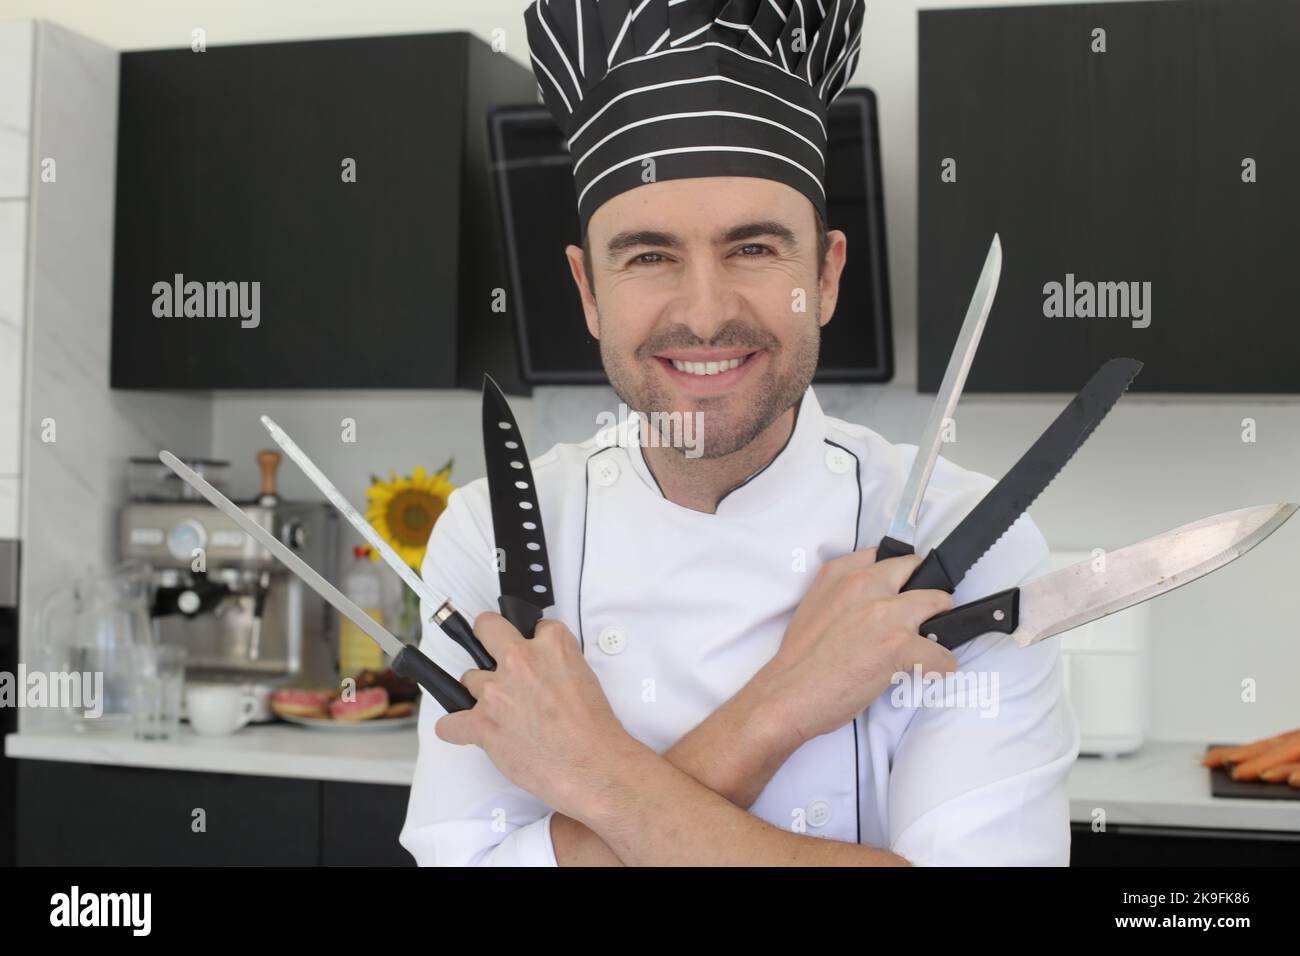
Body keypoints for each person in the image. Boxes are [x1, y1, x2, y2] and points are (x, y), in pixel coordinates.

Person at [399, 0, 1078, 866]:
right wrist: (785, 705)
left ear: (825, 276)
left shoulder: (965, 542)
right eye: (649, 256)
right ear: (588, 293)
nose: (706, 312)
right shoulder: (491, 531)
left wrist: (594, 777)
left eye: (753, 249)